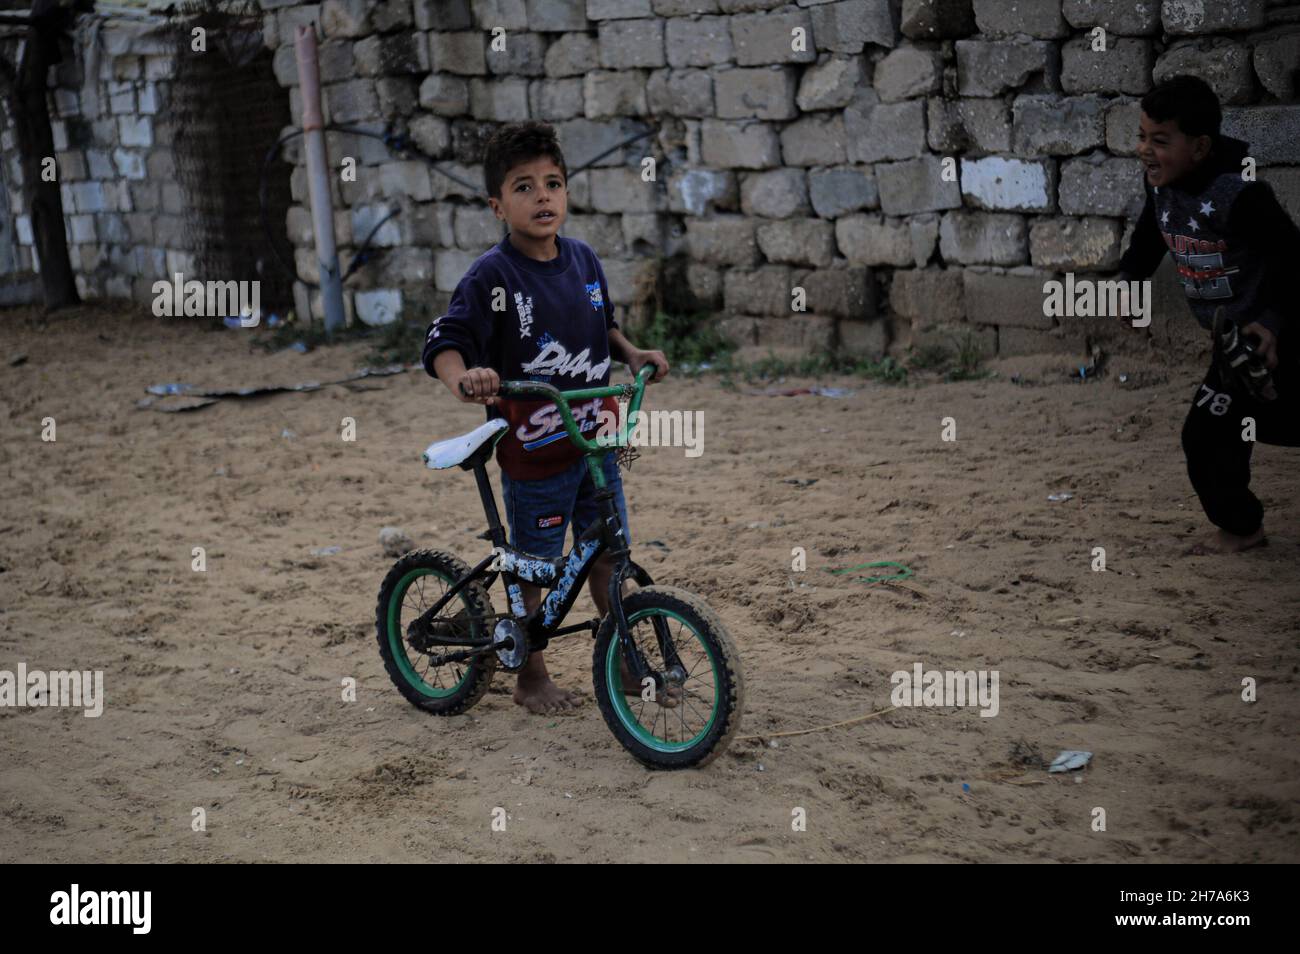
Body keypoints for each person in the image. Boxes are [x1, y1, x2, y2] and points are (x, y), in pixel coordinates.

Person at [422, 120, 670, 713]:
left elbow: (600, 326)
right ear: (497, 205)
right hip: (535, 456)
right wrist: (463, 377)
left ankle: (628, 663)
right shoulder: (493, 276)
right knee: (534, 569)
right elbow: (445, 339)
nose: (543, 197)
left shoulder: (582, 260)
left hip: (595, 440)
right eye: (524, 187)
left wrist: (631, 353)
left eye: (553, 183)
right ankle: (529, 675)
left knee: (609, 555)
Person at [1115, 75, 1300, 554]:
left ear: (1199, 146)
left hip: (1280, 337)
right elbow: (1150, 233)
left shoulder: (1240, 196)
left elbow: (1294, 261)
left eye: (1160, 141)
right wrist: (1129, 285)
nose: (1145, 151)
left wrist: (1275, 324)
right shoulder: (1162, 185)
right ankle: (1242, 529)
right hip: (1233, 350)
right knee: (1205, 438)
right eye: (1141, 137)